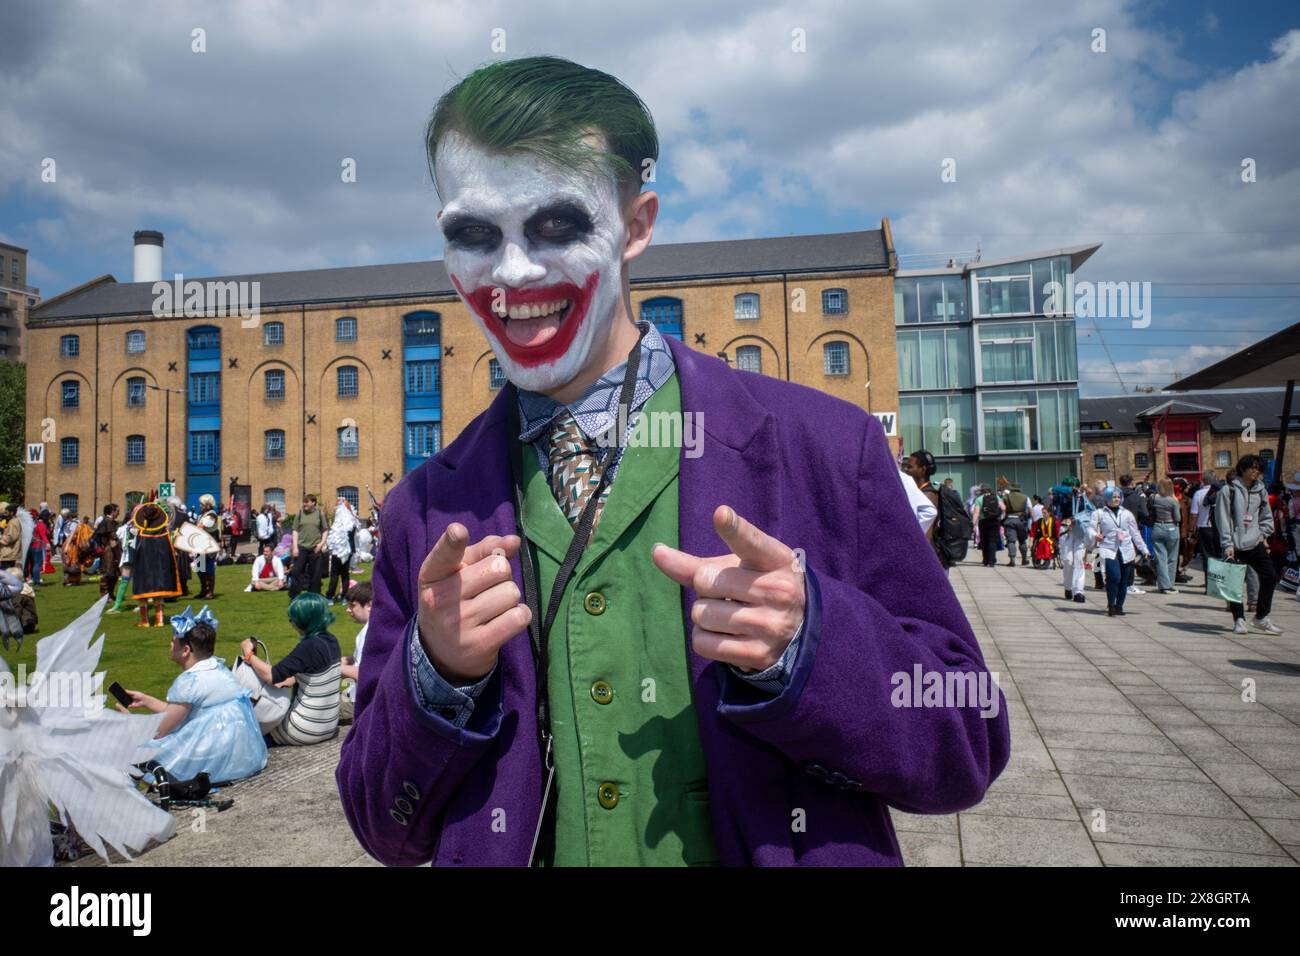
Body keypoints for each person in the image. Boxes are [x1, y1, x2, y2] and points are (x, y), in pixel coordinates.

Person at [337, 57, 1008, 868]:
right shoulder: (424, 510)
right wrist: (435, 675)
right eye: (475, 235)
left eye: (556, 226)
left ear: (638, 225)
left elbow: (968, 737)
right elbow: (382, 826)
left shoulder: (827, 451)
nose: (513, 274)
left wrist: (813, 644)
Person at [116, 608, 267, 784]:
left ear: (186, 650)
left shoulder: (190, 681)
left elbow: (160, 731)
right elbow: (184, 713)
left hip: (212, 762)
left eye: (173, 642)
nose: (170, 646)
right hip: (244, 756)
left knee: (131, 747)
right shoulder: (218, 669)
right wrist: (147, 700)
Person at [237, 592, 342, 746]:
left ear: (303, 621)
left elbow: (272, 675)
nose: (291, 623)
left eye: (293, 619)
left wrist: (249, 655)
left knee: (252, 734)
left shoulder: (308, 646)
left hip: (305, 729)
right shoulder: (332, 640)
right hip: (329, 725)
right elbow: (310, 674)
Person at [1217, 454, 1281, 635]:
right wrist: (1227, 544)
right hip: (1234, 544)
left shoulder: (1260, 490)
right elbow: (1223, 519)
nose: (1256, 472)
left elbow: (1266, 516)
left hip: (1255, 541)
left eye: (1259, 469)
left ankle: (1261, 616)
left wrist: (1263, 533)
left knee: (1270, 576)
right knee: (1234, 583)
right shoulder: (1228, 490)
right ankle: (1239, 619)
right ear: (1242, 469)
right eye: (1252, 468)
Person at [1092, 486, 1150, 617]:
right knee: (1114, 577)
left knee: (1124, 580)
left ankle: (1119, 606)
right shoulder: (1099, 513)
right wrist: (1095, 535)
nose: (1116, 499)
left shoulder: (1126, 514)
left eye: (1118, 497)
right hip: (1108, 548)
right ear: (1107, 498)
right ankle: (1111, 604)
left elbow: (1135, 533)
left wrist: (1144, 549)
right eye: (1113, 497)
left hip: (1126, 549)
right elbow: (1090, 529)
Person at [130, 501, 181, 627]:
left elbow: (136, 552)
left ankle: (144, 621)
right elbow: (169, 552)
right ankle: (160, 621)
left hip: (144, 567)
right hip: (159, 567)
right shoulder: (164, 532)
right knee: (158, 593)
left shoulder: (140, 533)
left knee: (143, 594)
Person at [338, 581, 372, 724]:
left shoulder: (370, 633)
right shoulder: (373, 629)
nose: (348, 610)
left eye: (353, 605)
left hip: (358, 701)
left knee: (314, 708)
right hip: (353, 694)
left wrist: (332, 668)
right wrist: (348, 660)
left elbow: (364, 673)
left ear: (370, 605)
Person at [1059, 477, 1094, 603]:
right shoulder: (1062, 496)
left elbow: (1091, 512)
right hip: (1066, 531)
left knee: (1079, 561)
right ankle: (1068, 587)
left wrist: (1085, 493)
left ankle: (1079, 591)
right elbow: (1055, 488)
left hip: (1080, 531)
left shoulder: (1082, 498)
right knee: (1068, 560)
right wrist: (1070, 489)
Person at [289, 494, 329, 597]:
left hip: (315, 548)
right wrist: (295, 547)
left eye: (307, 502)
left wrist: (321, 543)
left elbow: (325, 530)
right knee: (296, 572)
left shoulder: (319, 514)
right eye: (304, 502)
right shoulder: (300, 513)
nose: (304, 504)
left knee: (316, 575)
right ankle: (294, 596)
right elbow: (295, 530)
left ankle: (314, 596)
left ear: (313, 503)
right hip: (301, 547)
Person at [326, 496, 361, 603]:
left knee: (335, 574)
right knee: (345, 574)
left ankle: (330, 597)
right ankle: (344, 597)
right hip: (348, 551)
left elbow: (333, 538)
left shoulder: (338, 523)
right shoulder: (353, 522)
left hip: (339, 551)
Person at [1149, 478, 1182, 594]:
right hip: (1171, 527)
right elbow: (1178, 518)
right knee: (1172, 558)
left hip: (1157, 527)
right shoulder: (1173, 501)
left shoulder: (1154, 498)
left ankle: (1163, 585)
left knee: (1160, 558)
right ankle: (1169, 585)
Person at [193, 494, 222, 600]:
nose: (200, 505)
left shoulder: (212, 515)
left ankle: (210, 592)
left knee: (209, 570)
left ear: (208, 505)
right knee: (200, 569)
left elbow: (201, 527)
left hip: (209, 547)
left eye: (202, 504)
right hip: (200, 547)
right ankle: (203, 590)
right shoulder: (202, 515)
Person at [972, 484, 1005, 567]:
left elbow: (976, 512)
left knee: (984, 541)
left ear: (982, 491)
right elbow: (1003, 508)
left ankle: (985, 560)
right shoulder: (996, 497)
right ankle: (992, 561)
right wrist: (1000, 517)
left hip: (983, 521)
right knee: (992, 541)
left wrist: (973, 523)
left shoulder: (979, 499)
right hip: (994, 521)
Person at [1000, 479, 1030, 567]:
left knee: (1011, 541)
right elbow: (1029, 509)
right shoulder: (1025, 497)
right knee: (1022, 540)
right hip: (1021, 520)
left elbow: (1003, 509)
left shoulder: (1005, 497)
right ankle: (1024, 559)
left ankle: (1012, 559)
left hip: (1009, 519)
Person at [93, 504, 122, 598]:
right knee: (108, 573)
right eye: (117, 511)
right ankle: (105, 595)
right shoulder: (108, 522)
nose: (119, 513)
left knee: (114, 573)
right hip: (109, 550)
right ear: (112, 511)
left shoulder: (109, 521)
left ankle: (110, 594)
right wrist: (118, 554)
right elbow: (112, 538)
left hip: (110, 549)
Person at [167, 496, 193, 597]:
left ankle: (180, 588)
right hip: (178, 543)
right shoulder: (181, 515)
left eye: (169, 503)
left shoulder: (180, 515)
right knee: (181, 567)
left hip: (179, 543)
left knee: (179, 567)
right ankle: (182, 588)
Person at [27, 510, 49, 587]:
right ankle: (37, 581)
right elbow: (43, 535)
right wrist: (47, 543)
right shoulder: (41, 524)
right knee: (37, 564)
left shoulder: (34, 524)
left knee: (33, 564)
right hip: (38, 546)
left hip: (31, 546)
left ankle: (34, 580)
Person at [0, 504, 20, 570]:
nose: (4, 514)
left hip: (9, 554)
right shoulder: (12, 521)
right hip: (8, 553)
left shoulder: (13, 522)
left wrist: (1, 537)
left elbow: (10, 538)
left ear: (12, 513)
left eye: (6, 512)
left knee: (6, 576)